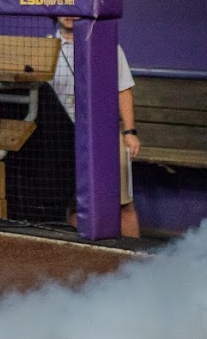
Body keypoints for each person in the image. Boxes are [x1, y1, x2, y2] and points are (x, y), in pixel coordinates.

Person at [50, 16, 142, 238]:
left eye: (75, 10)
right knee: (75, 205)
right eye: (65, 10)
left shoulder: (106, 45)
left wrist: (129, 132)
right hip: (60, 136)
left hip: (103, 135)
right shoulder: (44, 48)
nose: (70, 16)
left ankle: (134, 261)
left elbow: (123, 89)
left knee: (122, 204)